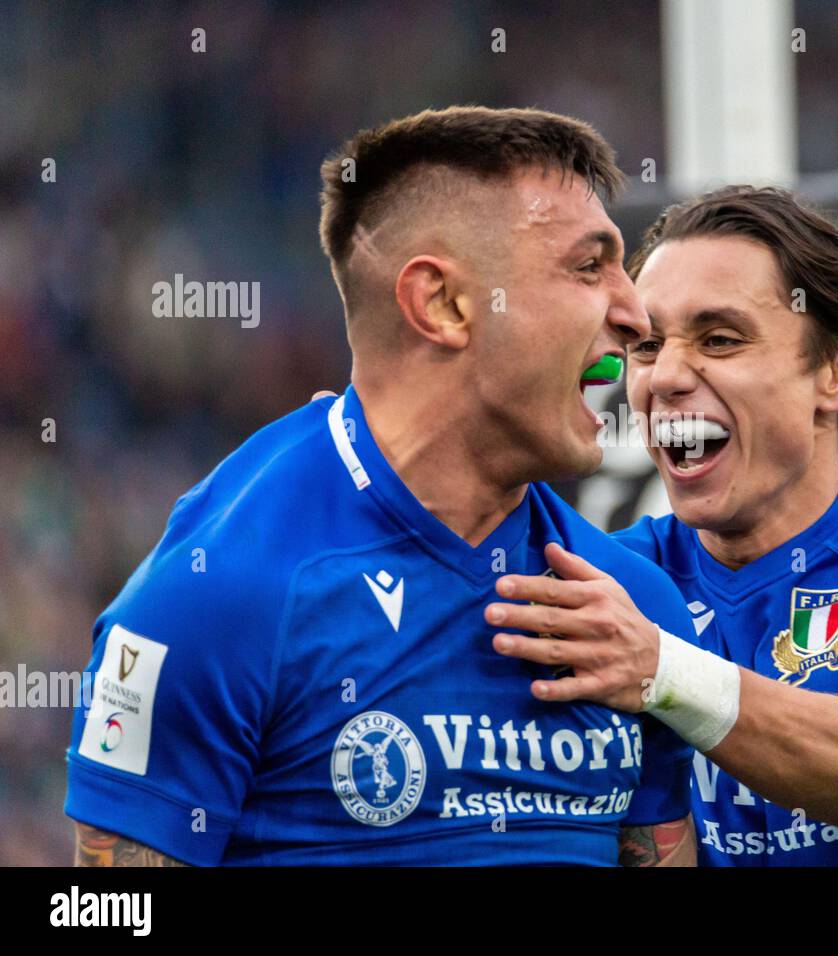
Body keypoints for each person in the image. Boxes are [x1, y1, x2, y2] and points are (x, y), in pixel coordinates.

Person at [65, 106, 697, 867]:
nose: (636, 314)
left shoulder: (632, 613)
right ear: (442, 304)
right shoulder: (218, 595)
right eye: (589, 266)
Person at [488, 185, 838, 865]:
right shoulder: (614, 582)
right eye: (647, 344)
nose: (663, 376)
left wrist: (663, 671)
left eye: (719, 340)